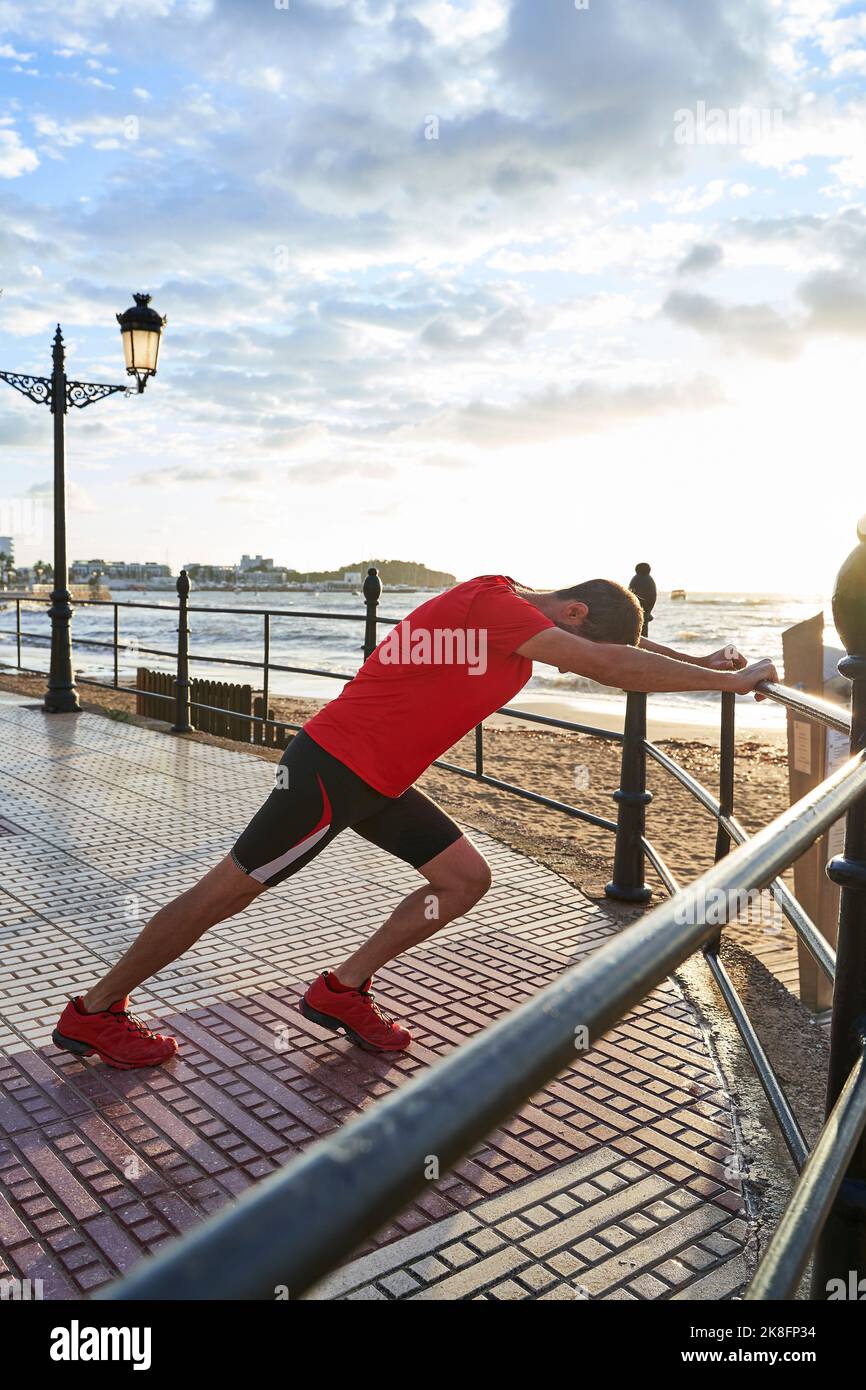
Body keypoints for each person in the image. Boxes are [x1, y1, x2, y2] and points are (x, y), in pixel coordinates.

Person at [52, 574, 777, 1067]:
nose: (567, 665)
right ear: (576, 614)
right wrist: (728, 682)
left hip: (380, 780)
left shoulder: (516, 600)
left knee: (463, 879)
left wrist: (700, 655)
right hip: (334, 770)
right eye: (574, 647)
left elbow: (616, 650)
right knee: (227, 894)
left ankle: (342, 988)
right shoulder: (499, 610)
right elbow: (614, 667)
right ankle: (96, 1008)